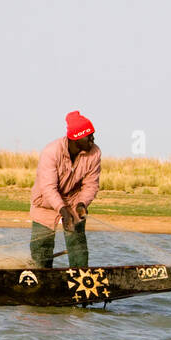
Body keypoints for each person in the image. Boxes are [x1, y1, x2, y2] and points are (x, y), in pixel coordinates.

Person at [29, 111, 101, 268]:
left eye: (92, 134)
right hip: (45, 202)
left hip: (74, 201)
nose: (92, 139)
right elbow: (48, 188)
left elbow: (91, 184)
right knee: (41, 249)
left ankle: (80, 276)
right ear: (76, 137)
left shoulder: (95, 153)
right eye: (89, 135)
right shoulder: (51, 152)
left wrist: (82, 204)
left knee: (78, 246)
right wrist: (62, 210)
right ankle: (42, 279)